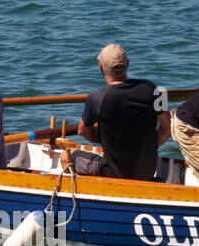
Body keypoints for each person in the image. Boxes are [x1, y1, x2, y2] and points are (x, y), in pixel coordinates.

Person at [68, 44, 171, 181]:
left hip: (112, 172)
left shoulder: (96, 98)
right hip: (148, 171)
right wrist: (150, 145)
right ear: (127, 64)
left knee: (68, 155)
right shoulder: (154, 89)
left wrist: (105, 141)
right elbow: (167, 127)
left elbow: (82, 131)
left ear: (100, 68)